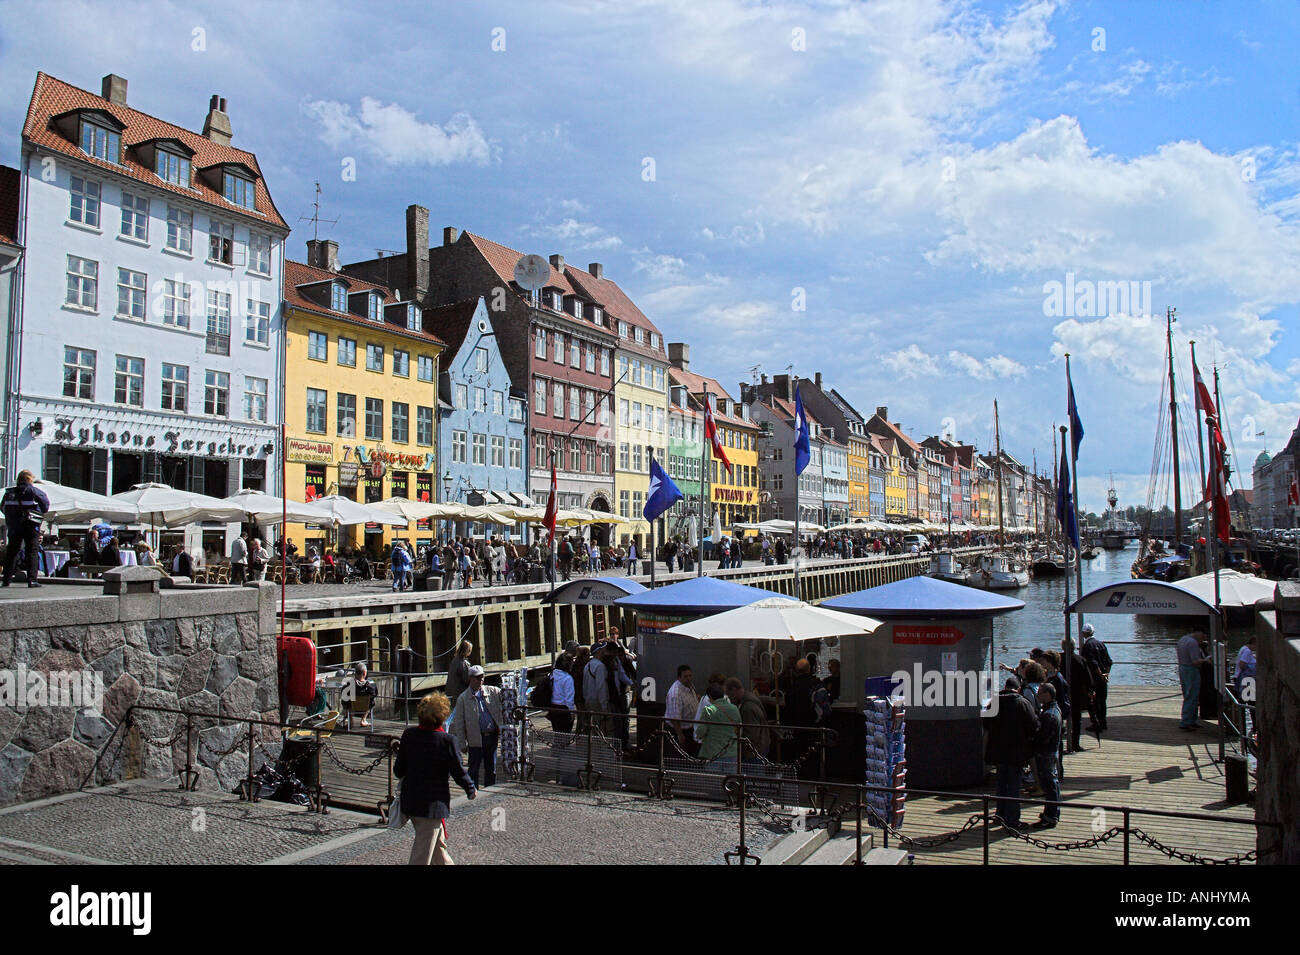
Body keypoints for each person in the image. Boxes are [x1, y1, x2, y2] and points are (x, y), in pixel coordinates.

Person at [394, 692, 476, 865]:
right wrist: (470, 788)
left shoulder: (409, 735)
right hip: (431, 806)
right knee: (421, 855)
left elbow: (398, 770)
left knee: (438, 849)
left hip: (411, 801)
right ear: (442, 717)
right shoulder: (447, 741)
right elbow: (458, 771)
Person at [985, 676, 1039, 830]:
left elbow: (986, 724)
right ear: (1018, 689)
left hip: (998, 751)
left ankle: (1000, 814)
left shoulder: (993, 703)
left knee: (1001, 784)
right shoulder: (1022, 703)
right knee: (1014, 785)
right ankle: (1012, 819)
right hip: (1016, 752)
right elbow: (1033, 724)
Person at [450, 665, 505, 787]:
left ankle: (489, 791)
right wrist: (462, 744)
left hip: (491, 736)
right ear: (471, 679)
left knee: (491, 768)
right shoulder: (463, 699)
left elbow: (505, 694)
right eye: (478, 678)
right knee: (473, 769)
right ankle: (473, 793)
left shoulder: (491, 691)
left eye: (482, 678)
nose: (481, 680)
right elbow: (459, 723)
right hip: (475, 739)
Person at [2, 470, 50, 588]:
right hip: (31, 524)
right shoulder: (34, 491)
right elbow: (45, 505)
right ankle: (32, 580)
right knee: (32, 551)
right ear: (30, 479)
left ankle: (6, 580)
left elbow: (2, 507)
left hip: (14, 525)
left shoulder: (9, 492)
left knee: (12, 551)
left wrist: (13, 518)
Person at [1033, 683, 1063, 828]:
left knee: (1049, 784)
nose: (1037, 696)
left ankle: (1050, 816)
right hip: (1052, 752)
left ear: (1047, 694)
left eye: (1040, 693)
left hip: (1046, 753)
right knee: (1053, 783)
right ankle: (1052, 813)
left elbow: (1043, 737)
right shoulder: (1054, 709)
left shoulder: (1048, 715)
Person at [1060, 636, 1094, 752]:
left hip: (1061, 693)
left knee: (1059, 718)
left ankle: (1059, 743)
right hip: (1076, 694)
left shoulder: (1058, 660)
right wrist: (1090, 691)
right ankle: (1075, 744)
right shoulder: (1080, 660)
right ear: (1074, 647)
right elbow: (1088, 679)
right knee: (1076, 720)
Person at [697, 682, 741, 768]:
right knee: (730, 780)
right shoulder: (734, 708)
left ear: (710, 697)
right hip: (731, 752)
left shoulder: (709, 710)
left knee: (714, 780)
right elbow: (739, 729)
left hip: (713, 753)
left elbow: (700, 732)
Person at [727, 676, 770, 762]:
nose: (729, 698)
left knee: (753, 773)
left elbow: (751, 733)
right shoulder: (749, 699)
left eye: (729, 694)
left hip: (755, 750)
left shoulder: (748, 707)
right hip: (760, 746)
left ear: (734, 690)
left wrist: (743, 749)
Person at [1080, 623, 1112, 734]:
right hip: (1103, 679)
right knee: (1102, 702)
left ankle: (1096, 724)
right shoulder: (1101, 644)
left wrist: (1099, 675)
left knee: (1093, 702)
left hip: (1093, 679)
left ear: (1084, 633)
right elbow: (1109, 661)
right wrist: (1106, 675)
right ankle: (1103, 723)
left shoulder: (1087, 646)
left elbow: (1092, 664)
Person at [1176, 629, 1209, 730]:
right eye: (1203, 636)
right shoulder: (1193, 643)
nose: (1203, 639)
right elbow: (1195, 661)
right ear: (1199, 633)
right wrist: (1206, 660)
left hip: (1183, 668)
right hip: (1191, 670)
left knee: (1188, 694)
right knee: (1192, 695)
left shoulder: (1183, 639)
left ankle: (1191, 720)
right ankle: (1186, 721)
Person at [664, 664, 700, 753]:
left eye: (690, 676)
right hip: (680, 731)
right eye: (685, 676)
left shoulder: (689, 685)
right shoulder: (675, 694)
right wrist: (680, 734)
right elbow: (674, 718)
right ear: (679, 677)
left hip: (691, 728)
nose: (689, 678)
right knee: (680, 755)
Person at [549, 655, 575, 734]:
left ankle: (557, 745)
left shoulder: (552, 675)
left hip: (553, 707)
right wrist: (572, 712)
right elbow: (569, 698)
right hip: (564, 709)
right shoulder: (568, 678)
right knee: (565, 733)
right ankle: (562, 746)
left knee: (556, 732)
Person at [352, 662, 378, 727]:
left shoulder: (350, 684)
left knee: (346, 700)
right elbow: (375, 694)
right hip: (365, 707)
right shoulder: (371, 685)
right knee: (371, 702)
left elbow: (344, 694)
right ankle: (363, 719)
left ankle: (350, 720)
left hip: (353, 707)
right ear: (365, 673)